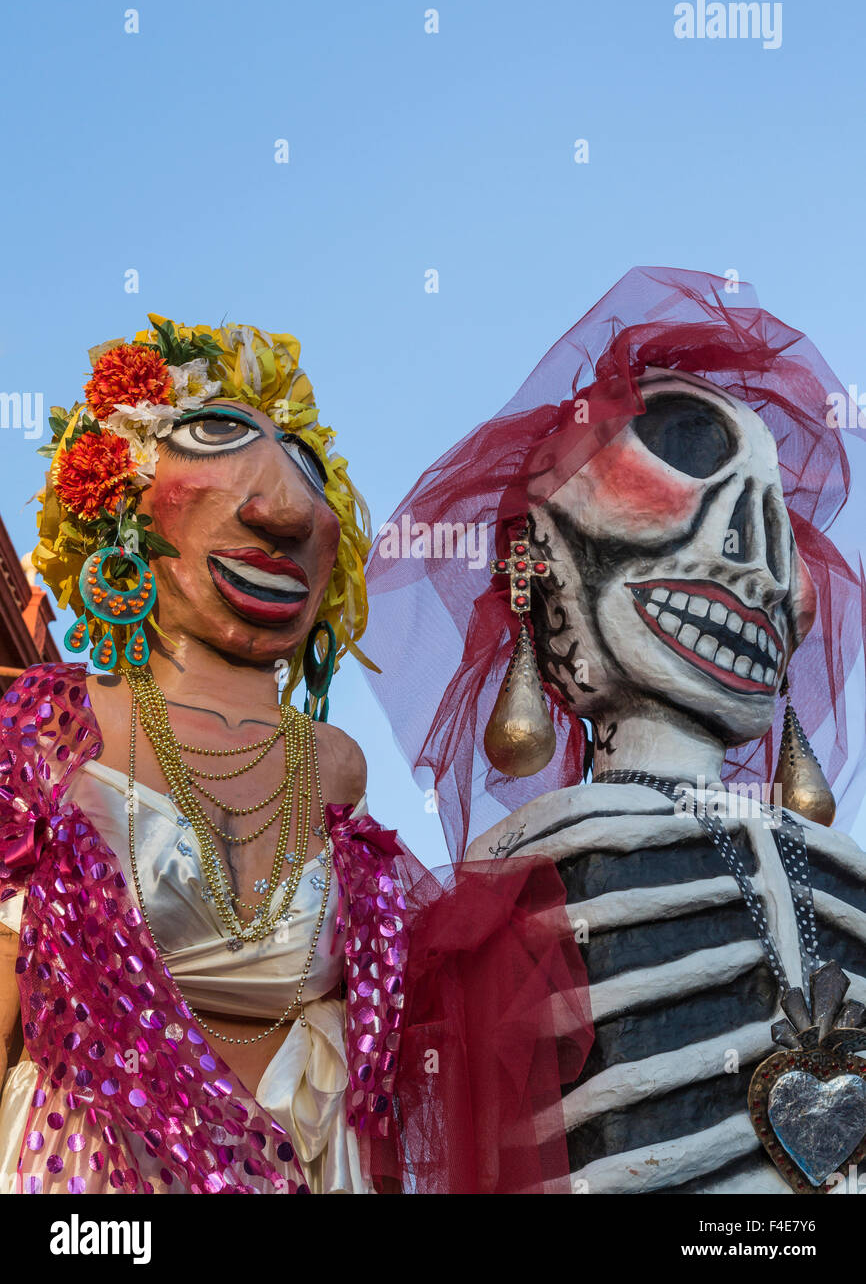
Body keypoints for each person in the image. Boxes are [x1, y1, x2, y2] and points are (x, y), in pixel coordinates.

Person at [0, 317, 591, 1195]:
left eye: (309, 477)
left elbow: (397, 1024)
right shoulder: (48, 726)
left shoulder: (335, 767)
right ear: (116, 503)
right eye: (214, 438)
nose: (286, 512)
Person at [363, 267, 866, 1194]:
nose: (762, 558)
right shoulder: (513, 883)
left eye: (785, 521)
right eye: (686, 453)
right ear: (539, 556)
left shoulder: (844, 872)